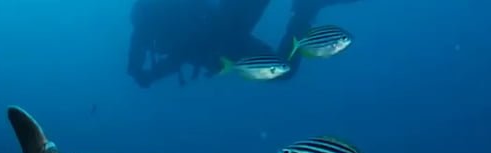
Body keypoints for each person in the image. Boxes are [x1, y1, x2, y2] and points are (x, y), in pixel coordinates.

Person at [126, 0, 359, 87]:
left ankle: (305, 11)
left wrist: (148, 75)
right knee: (281, 69)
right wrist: (146, 74)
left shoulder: (146, 29)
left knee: (281, 70)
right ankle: (306, 9)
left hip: (224, 37)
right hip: (225, 23)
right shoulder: (151, 24)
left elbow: (178, 55)